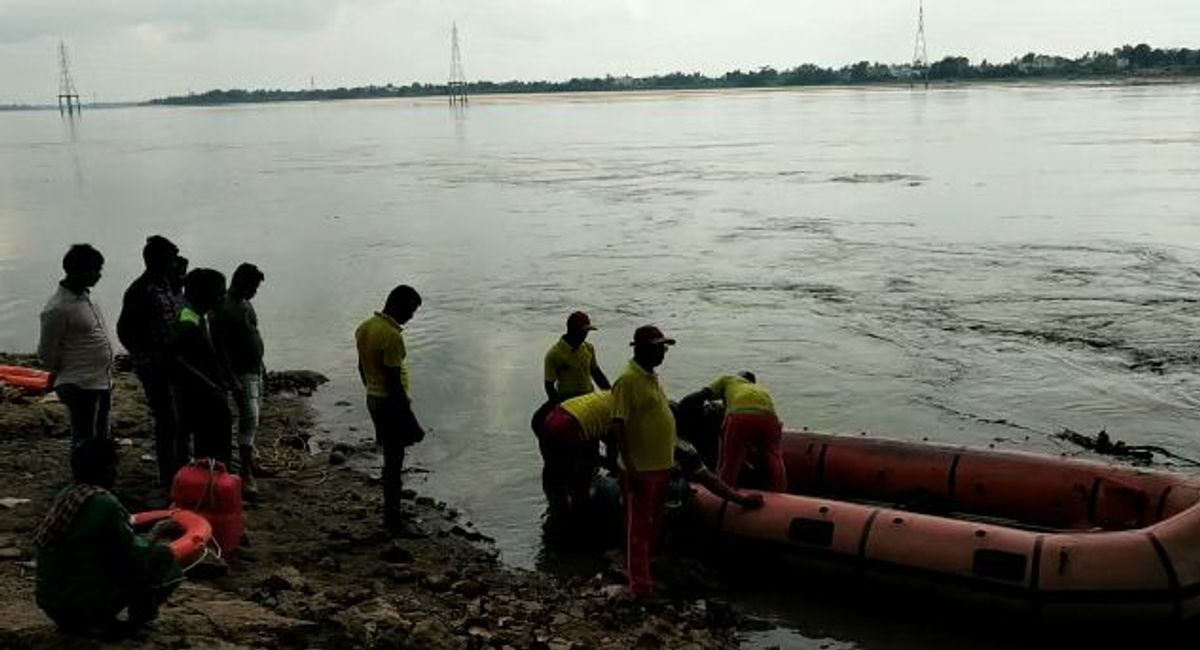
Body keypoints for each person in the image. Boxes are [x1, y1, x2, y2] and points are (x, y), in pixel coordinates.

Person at [35, 439, 182, 638]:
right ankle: (134, 619)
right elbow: (138, 551)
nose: (116, 472)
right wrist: (158, 530)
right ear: (104, 470)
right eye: (113, 466)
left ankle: (89, 618)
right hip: (81, 605)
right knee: (162, 556)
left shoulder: (68, 494)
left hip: (52, 603)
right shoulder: (105, 503)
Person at [610, 324, 677, 599]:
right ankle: (639, 586)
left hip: (661, 464)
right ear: (643, 350)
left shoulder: (651, 377)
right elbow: (618, 424)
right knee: (637, 527)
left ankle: (647, 572)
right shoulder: (627, 380)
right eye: (659, 348)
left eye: (664, 349)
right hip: (641, 467)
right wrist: (630, 467)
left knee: (654, 524)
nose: (663, 353)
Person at [356, 285, 426, 535]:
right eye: (410, 310)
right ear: (397, 305)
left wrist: (372, 391)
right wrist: (411, 419)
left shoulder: (365, 327)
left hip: (374, 399)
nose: (411, 316)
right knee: (394, 462)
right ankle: (393, 520)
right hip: (390, 404)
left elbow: (361, 368)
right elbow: (394, 382)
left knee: (390, 456)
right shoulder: (392, 336)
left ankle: (391, 513)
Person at [117, 236, 185, 487]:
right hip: (154, 366)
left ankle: (178, 466)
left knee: (177, 417)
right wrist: (146, 355)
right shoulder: (140, 291)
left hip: (174, 362)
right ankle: (168, 474)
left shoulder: (168, 285)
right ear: (159, 261)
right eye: (172, 259)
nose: (176, 263)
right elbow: (124, 331)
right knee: (167, 418)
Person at [38, 244, 114, 449]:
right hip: (79, 383)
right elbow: (46, 352)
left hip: (100, 380)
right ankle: (83, 468)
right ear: (79, 271)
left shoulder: (86, 297)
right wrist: (59, 374)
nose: (99, 275)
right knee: (84, 438)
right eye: (95, 270)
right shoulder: (57, 308)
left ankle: (98, 467)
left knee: (101, 436)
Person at [213, 263, 266, 498]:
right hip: (240, 373)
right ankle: (246, 472)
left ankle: (251, 460)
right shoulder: (222, 308)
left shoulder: (246, 303)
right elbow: (220, 348)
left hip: (255, 369)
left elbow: (252, 332)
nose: (255, 292)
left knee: (255, 417)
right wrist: (231, 378)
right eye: (253, 287)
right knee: (249, 418)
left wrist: (262, 365)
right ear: (241, 283)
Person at [171, 268, 234, 465]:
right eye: (220, 292)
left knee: (211, 444)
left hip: (207, 392)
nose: (224, 296)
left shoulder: (199, 317)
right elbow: (174, 357)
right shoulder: (188, 320)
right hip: (200, 395)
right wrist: (208, 383)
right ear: (203, 293)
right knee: (209, 446)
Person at [694, 371, 787, 492]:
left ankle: (725, 490)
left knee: (731, 458)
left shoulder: (728, 379)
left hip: (740, 416)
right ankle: (780, 489)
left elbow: (702, 394)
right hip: (769, 417)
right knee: (774, 455)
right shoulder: (760, 389)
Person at [540, 389, 612, 512]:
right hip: (571, 425)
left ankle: (556, 508)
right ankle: (579, 509)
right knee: (579, 474)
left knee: (554, 470)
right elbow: (613, 445)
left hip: (552, 417)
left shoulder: (605, 395)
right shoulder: (621, 412)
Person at [543, 311, 610, 404]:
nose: (585, 335)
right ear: (573, 331)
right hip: (567, 400)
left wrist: (610, 394)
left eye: (587, 332)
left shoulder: (588, 348)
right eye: (583, 332)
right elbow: (549, 386)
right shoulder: (554, 354)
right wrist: (558, 405)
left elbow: (596, 373)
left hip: (588, 397)